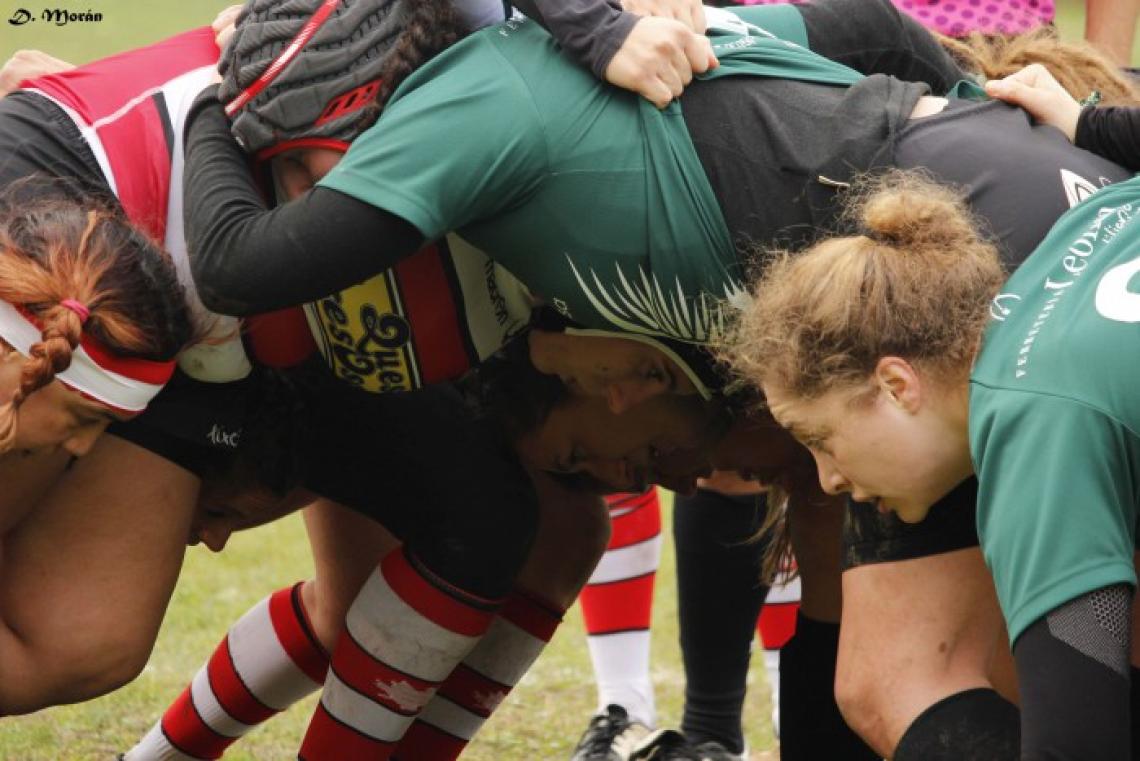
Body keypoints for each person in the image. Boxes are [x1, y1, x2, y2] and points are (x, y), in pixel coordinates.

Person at [725, 66, 1140, 756]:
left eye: (820, 437)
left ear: (896, 385)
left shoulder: (1034, 417)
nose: (827, 479)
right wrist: (1097, 126)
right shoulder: (1086, 227)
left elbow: (1077, 744)